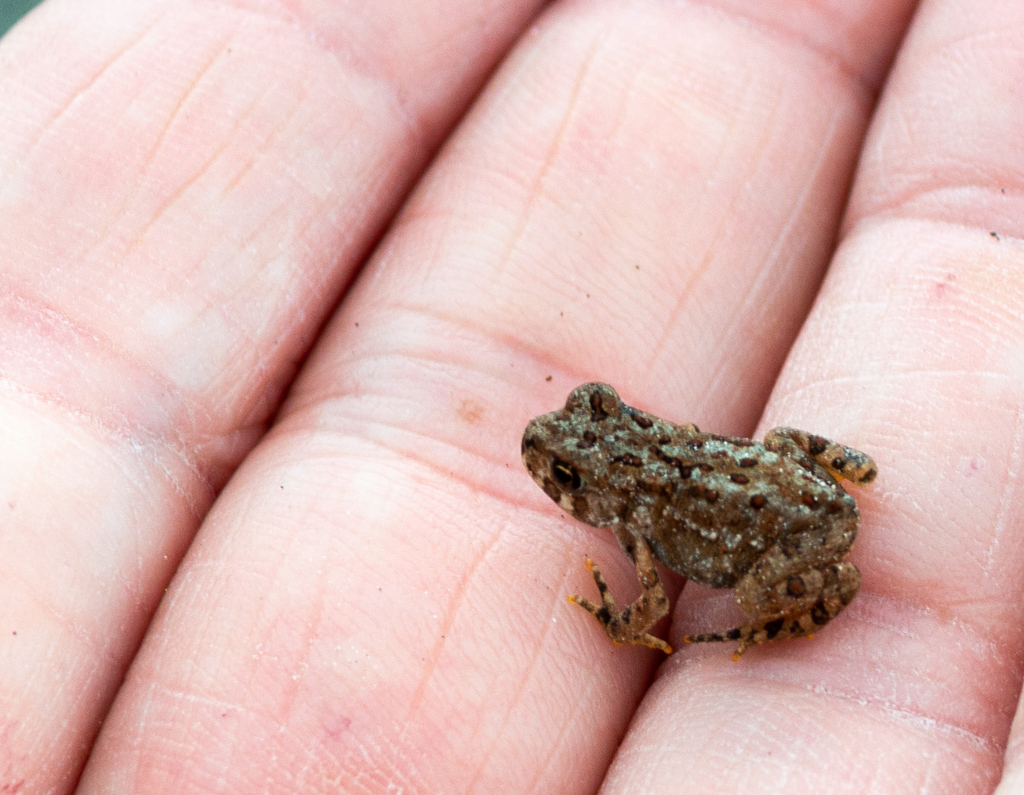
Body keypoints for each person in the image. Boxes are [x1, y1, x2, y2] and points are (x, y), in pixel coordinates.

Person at [1, 0, 1018, 792]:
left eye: (568, 470)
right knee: (788, 473)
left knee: (755, 599)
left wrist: (635, 628)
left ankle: (763, 622)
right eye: (575, 450)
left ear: (608, 481)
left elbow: (655, 599)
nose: (551, 457)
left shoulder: (642, 518)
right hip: (791, 476)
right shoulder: (648, 487)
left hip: (795, 533)